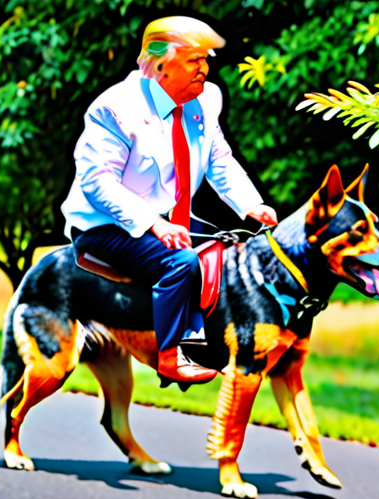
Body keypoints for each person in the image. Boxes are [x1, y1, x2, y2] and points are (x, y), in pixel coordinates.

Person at [61, 16, 277, 384]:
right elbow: (98, 182)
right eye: (195, 60)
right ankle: (170, 355)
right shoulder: (113, 109)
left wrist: (249, 204)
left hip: (171, 217)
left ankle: (217, 340)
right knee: (179, 261)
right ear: (160, 62)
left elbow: (219, 160)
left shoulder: (206, 101)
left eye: (206, 60)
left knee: (231, 248)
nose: (205, 70)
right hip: (104, 225)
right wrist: (154, 223)